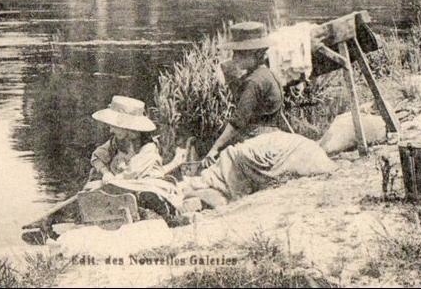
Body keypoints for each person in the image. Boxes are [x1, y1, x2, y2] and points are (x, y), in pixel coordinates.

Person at [86, 95, 189, 215]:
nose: (111, 131)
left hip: (139, 183)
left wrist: (103, 184)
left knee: (148, 190)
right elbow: (97, 156)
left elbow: (129, 175)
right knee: (92, 181)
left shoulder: (148, 148)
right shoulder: (117, 140)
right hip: (119, 182)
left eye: (114, 127)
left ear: (128, 127)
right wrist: (106, 173)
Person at [181, 129, 336, 208]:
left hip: (247, 155)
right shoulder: (306, 146)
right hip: (275, 145)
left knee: (224, 176)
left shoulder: (307, 150)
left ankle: (191, 188)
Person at [202, 22, 285, 166]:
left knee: (219, 159)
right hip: (273, 133)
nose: (234, 58)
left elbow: (238, 121)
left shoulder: (254, 81)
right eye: (234, 53)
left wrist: (215, 149)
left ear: (256, 54)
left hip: (258, 138)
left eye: (240, 54)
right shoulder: (267, 73)